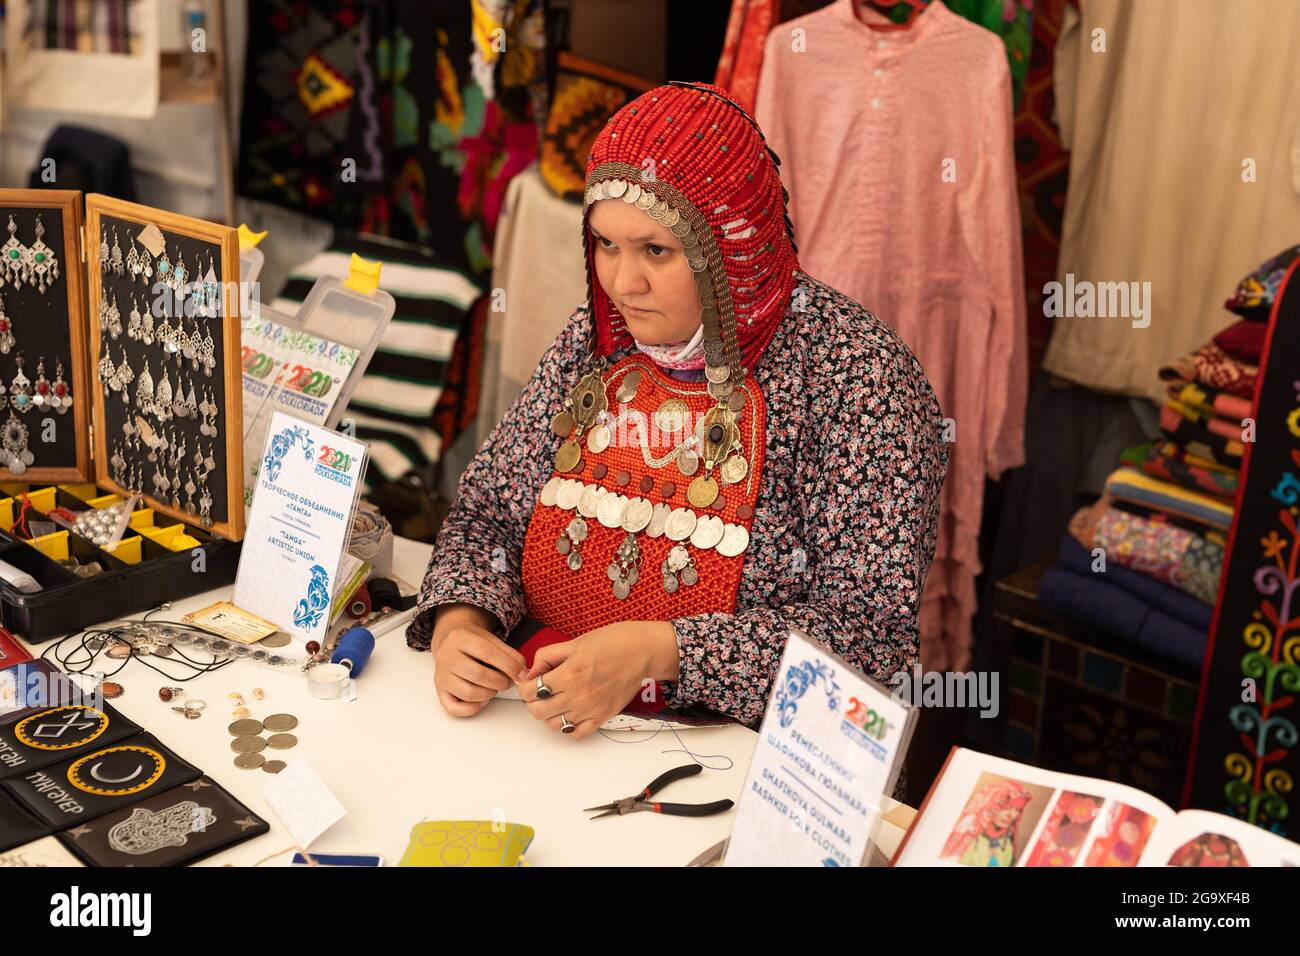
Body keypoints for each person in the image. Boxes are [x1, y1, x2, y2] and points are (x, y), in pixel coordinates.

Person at [407, 80, 947, 739]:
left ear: (731, 246)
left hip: (730, 751)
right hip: (544, 723)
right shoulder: (598, 340)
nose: (622, 283)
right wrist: (463, 622)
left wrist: (660, 652)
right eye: (606, 245)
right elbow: (487, 516)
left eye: (655, 251)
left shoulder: (857, 377)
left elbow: (873, 645)